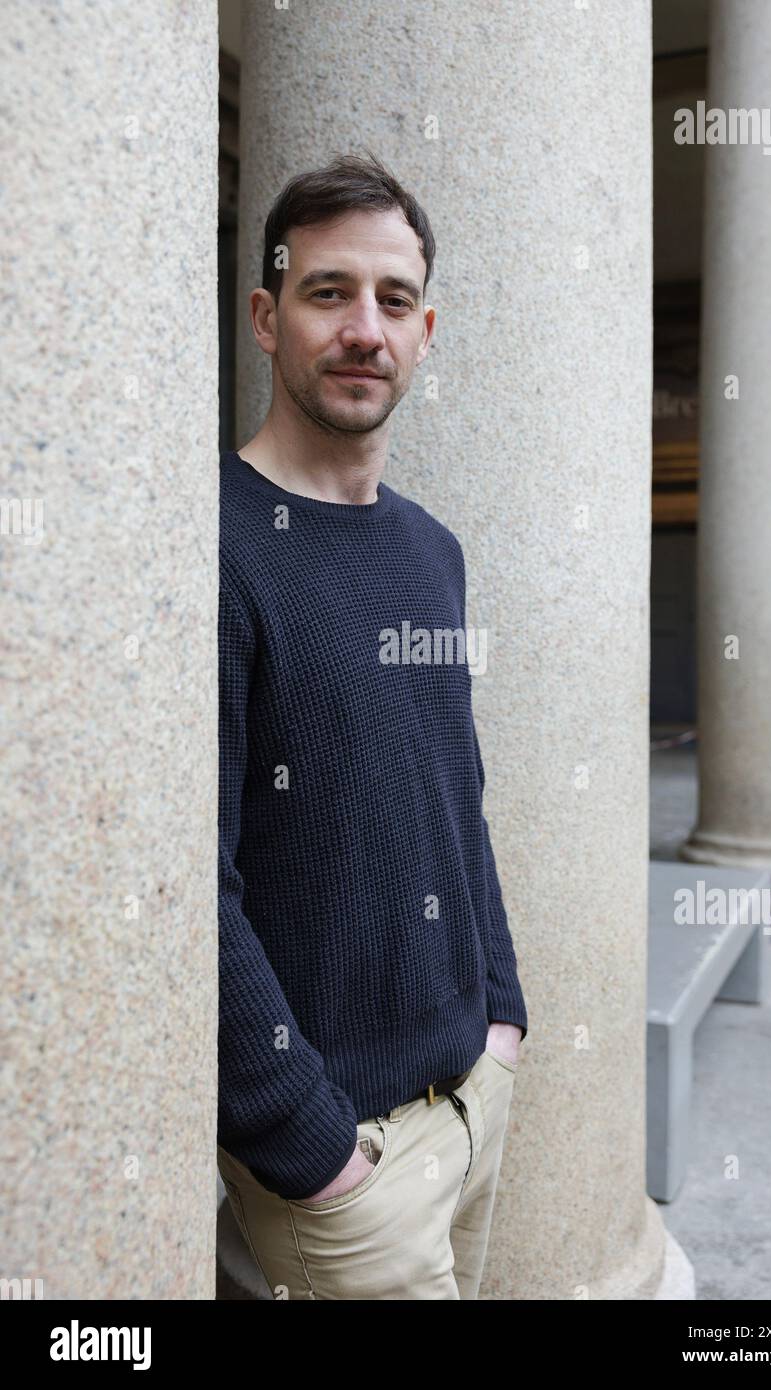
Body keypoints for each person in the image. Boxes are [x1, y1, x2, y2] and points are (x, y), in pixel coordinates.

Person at [217, 150, 529, 1300]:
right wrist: (314, 1149)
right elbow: (186, 888)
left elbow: (459, 793)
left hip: (472, 1102)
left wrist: (502, 1013)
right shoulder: (214, 548)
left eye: (394, 301)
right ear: (266, 315)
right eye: (327, 292)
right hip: (346, 1168)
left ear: (426, 329)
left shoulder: (433, 549)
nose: (365, 329)